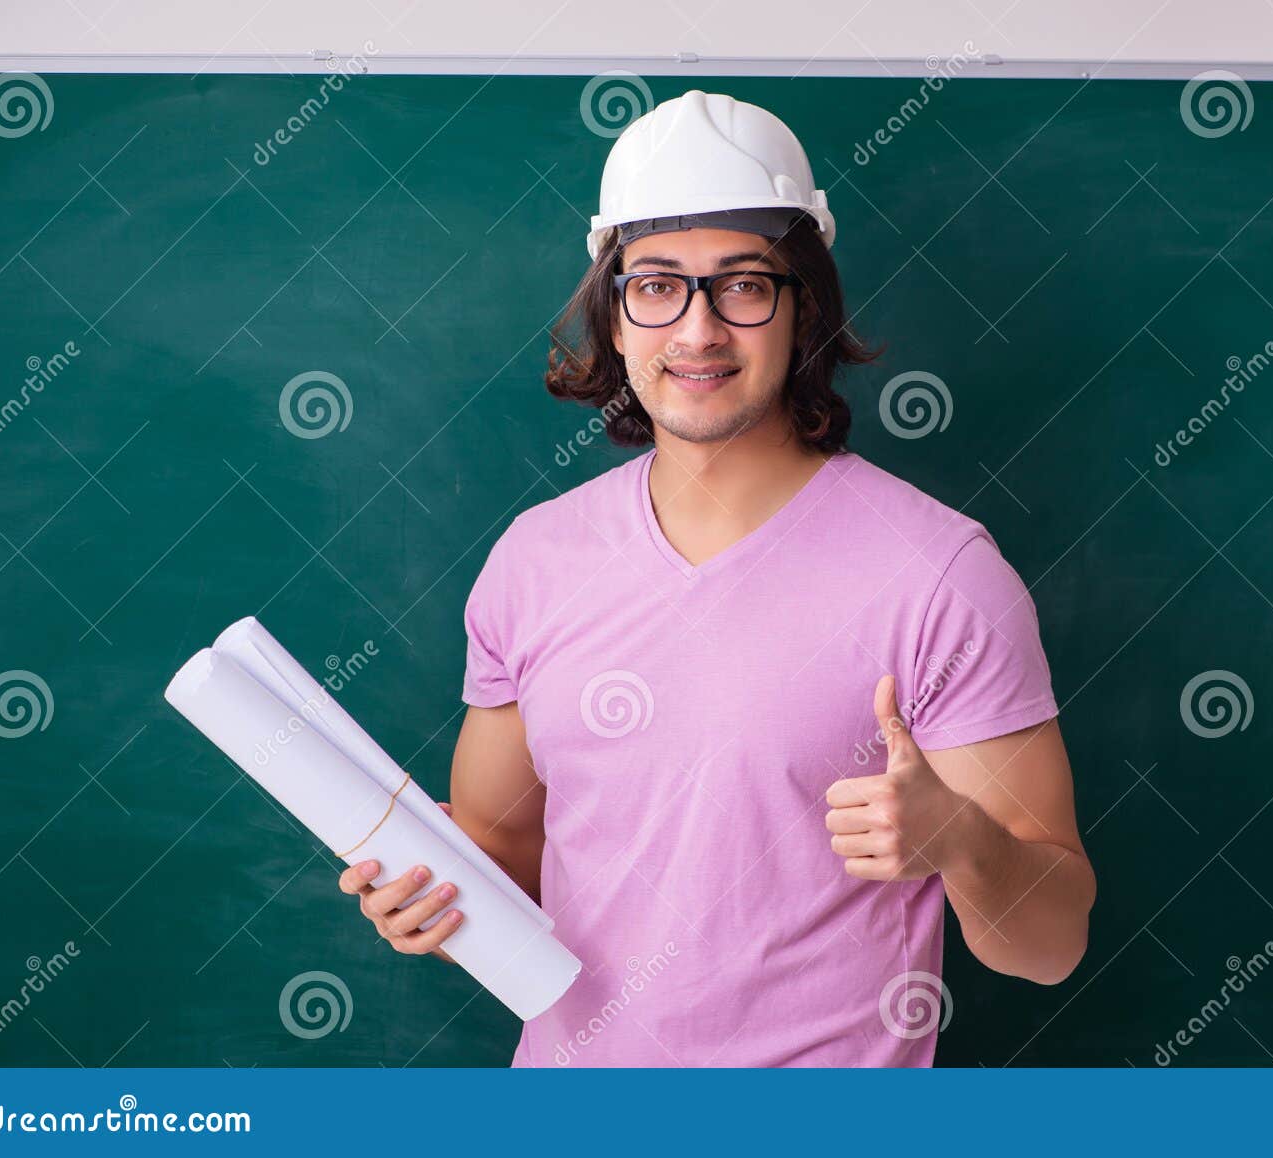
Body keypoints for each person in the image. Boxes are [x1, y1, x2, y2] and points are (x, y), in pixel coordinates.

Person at [340, 88, 1095, 1066]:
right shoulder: (536, 559)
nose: (696, 332)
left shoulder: (939, 576)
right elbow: (508, 857)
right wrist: (435, 896)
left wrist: (956, 837)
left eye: (742, 286)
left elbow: (1048, 944)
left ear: (802, 309)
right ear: (614, 314)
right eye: (656, 285)